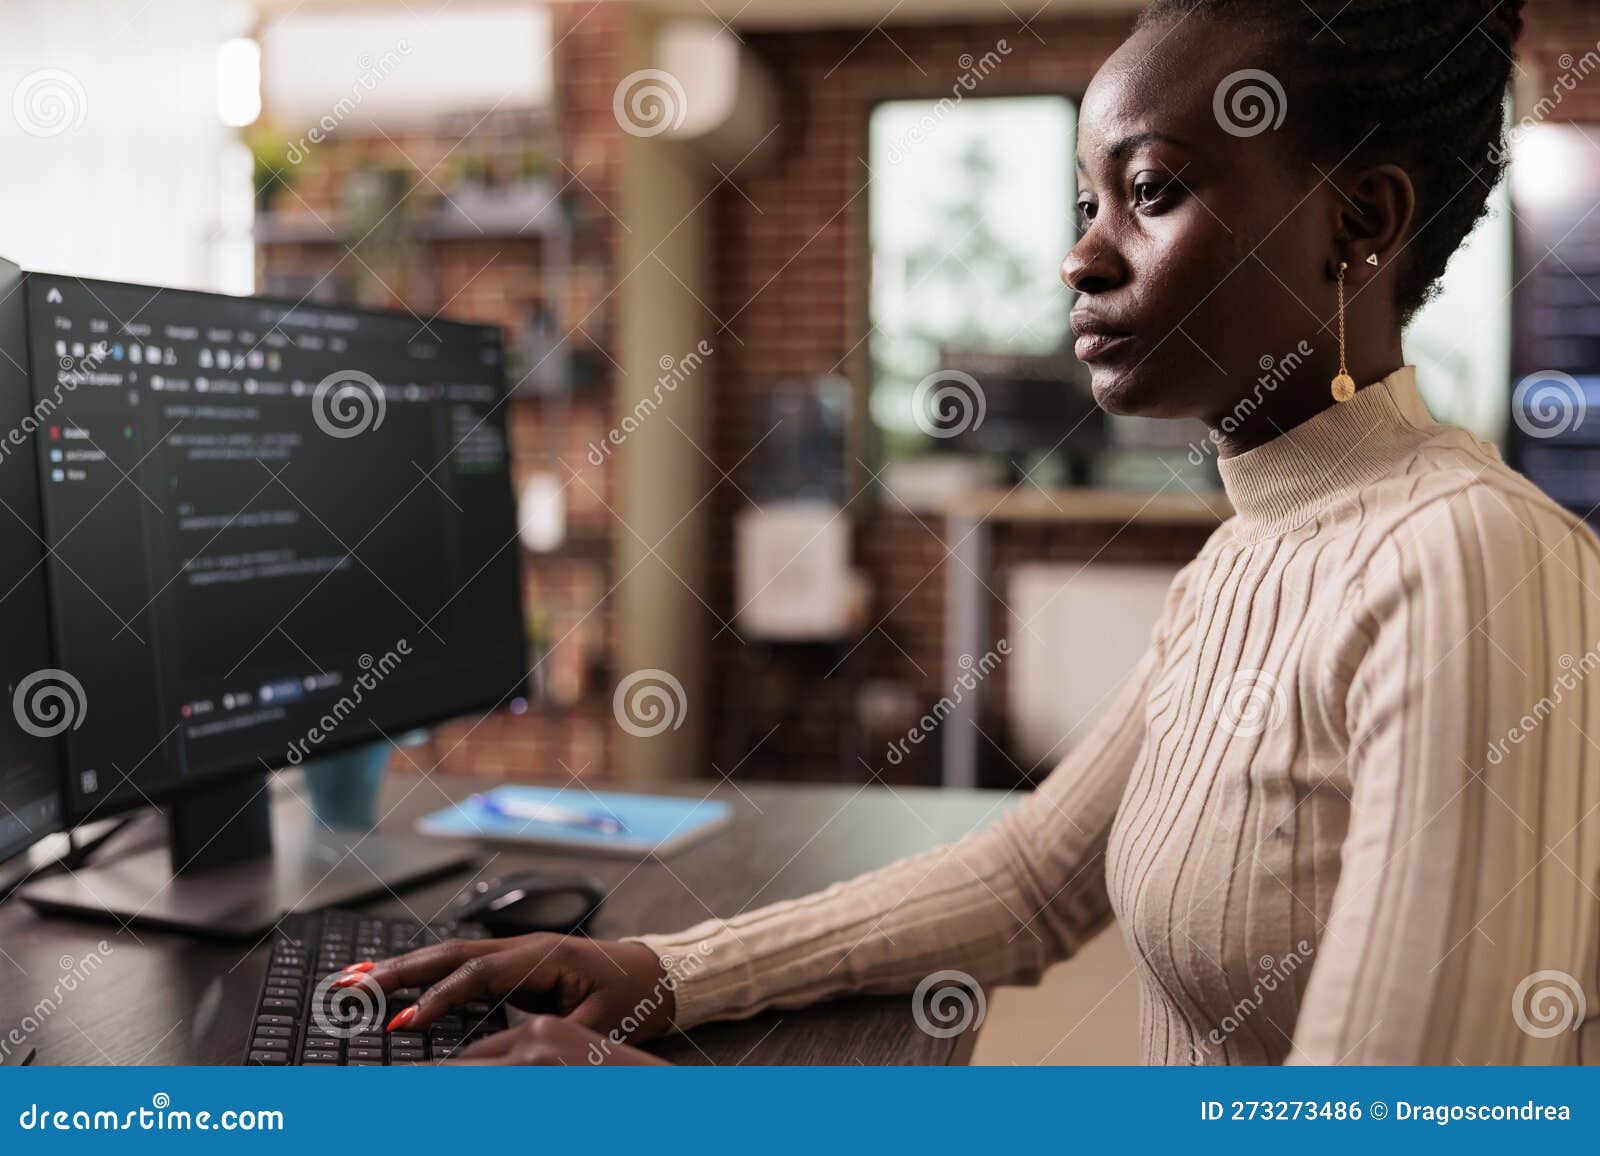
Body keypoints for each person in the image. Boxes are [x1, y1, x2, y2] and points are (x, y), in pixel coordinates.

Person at [356, 0, 1600, 1065]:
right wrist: (656, 966)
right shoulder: (1244, 557)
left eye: (1151, 192)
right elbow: (1025, 884)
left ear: (1359, 224)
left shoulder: (1470, 561)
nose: (1079, 256)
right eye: (1087, 200)